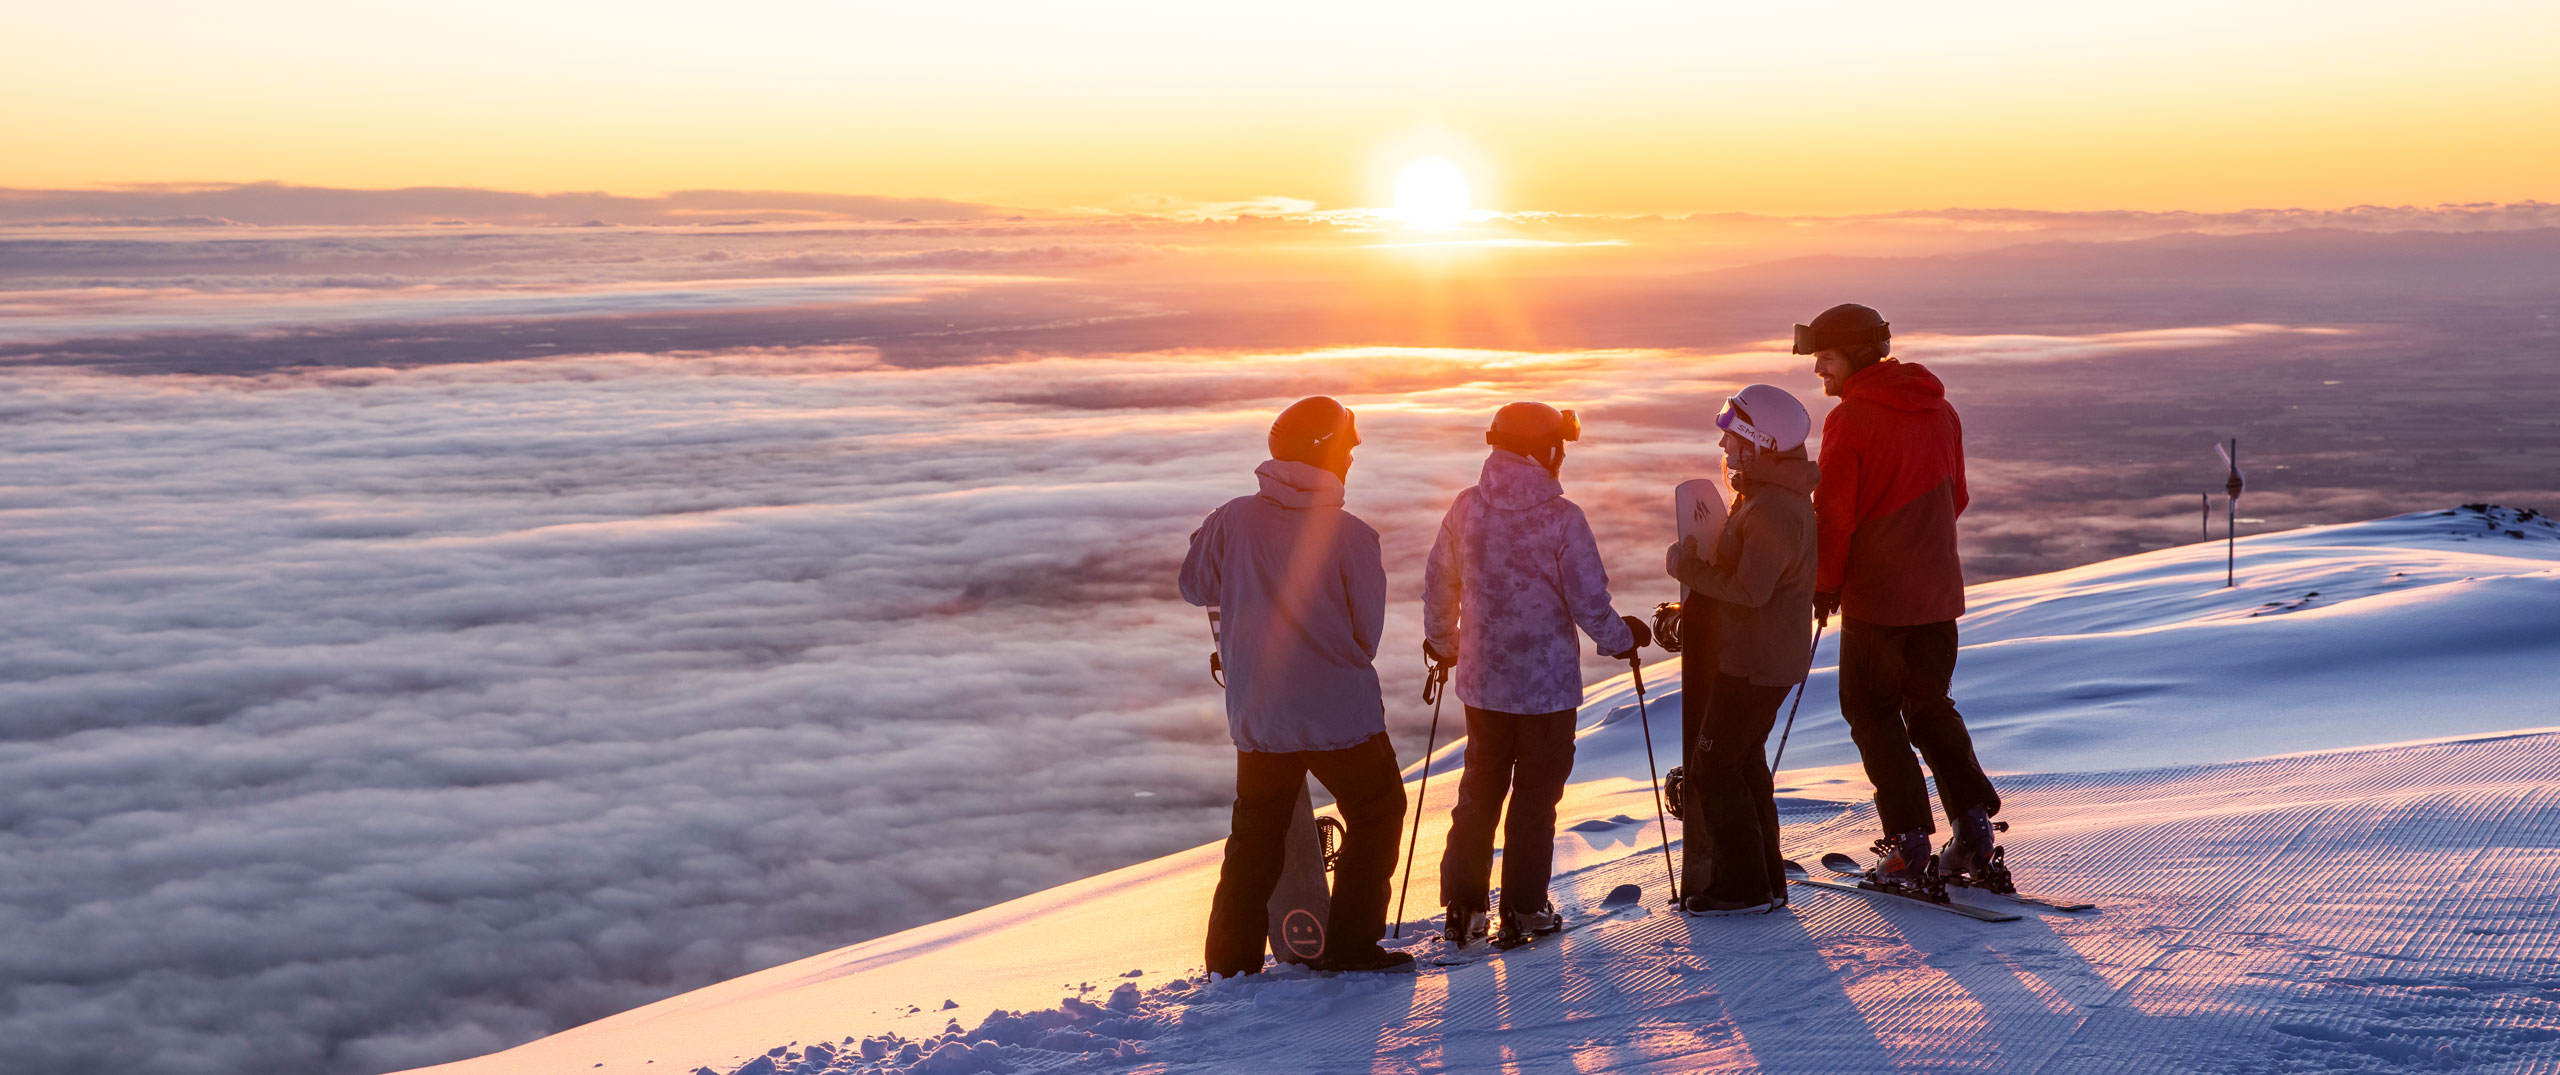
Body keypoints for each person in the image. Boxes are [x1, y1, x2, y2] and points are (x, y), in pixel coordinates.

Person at [1179, 396, 1414, 975]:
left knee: (1254, 836)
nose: (1353, 459)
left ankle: (1230, 963)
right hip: (1340, 713)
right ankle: (1352, 946)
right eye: (1349, 449)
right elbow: (1366, 637)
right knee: (1378, 811)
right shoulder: (1353, 536)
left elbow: (1193, 585)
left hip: (1259, 712)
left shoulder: (1232, 518)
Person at [1423, 402, 1649, 947]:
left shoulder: (1465, 508)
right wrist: (1626, 640)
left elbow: (1439, 582)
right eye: (1559, 446)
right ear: (1539, 449)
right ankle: (1524, 910)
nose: (1563, 456)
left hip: (1483, 683)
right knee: (1533, 799)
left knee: (1479, 790)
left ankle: (1464, 911)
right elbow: (1589, 604)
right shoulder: (1561, 517)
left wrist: (1444, 644)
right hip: (1545, 690)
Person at [1795, 303, 2003, 890]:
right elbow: (1956, 496)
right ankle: (1972, 830)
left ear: (1858, 355)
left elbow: (1834, 517)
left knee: (1871, 711)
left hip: (1878, 601)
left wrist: (1824, 585)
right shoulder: (1942, 410)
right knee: (1931, 708)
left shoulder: (1852, 420)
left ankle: (1908, 843)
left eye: (1826, 358)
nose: (1819, 372)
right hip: (1937, 593)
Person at [1664, 384, 1819, 914]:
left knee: (1714, 770)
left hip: (1756, 663)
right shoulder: (1766, 499)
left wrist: (1689, 569)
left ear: (1759, 444)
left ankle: (1745, 889)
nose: (1725, 448)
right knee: (1745, 764)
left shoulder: (1772, 509)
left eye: (1733, 438)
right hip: (1763, 658)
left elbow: (1752, 592)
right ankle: (1766, 882)